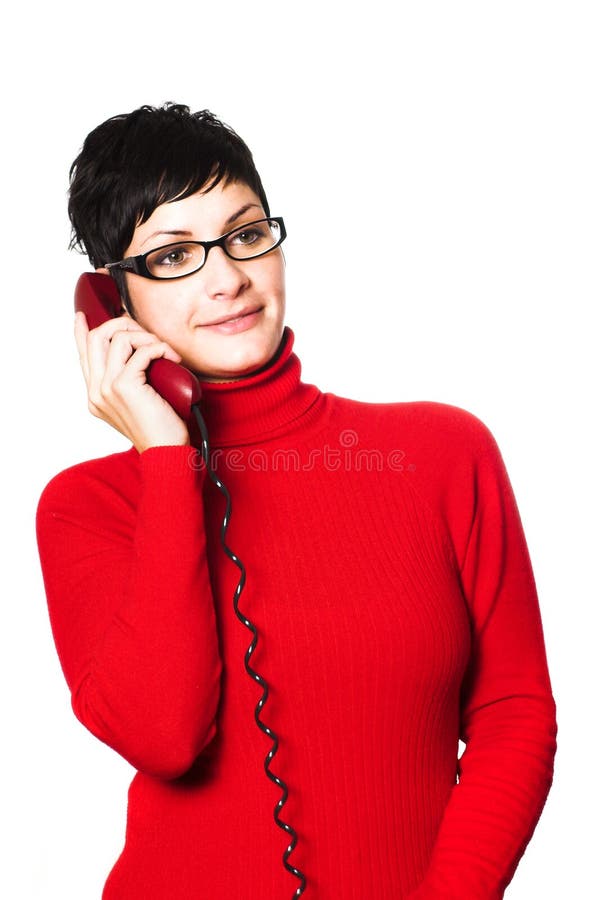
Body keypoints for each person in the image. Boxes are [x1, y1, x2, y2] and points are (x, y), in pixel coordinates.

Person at [36, 102, 557, 899]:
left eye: (244, 235)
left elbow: (514, 714)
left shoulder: (442, 454)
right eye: (173, 256)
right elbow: (165, 736)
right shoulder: (89, 507)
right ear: (112, 303)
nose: (226, 278)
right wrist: (170, 463)